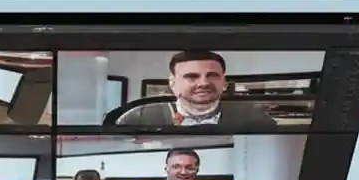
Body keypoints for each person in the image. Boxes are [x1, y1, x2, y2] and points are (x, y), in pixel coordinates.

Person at [114, 50, 280, 130]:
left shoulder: (255, 119)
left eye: (212, 76)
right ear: (173, 84)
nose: (204, 83)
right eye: (192, 76)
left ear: (224, 83)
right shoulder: (137, 118)